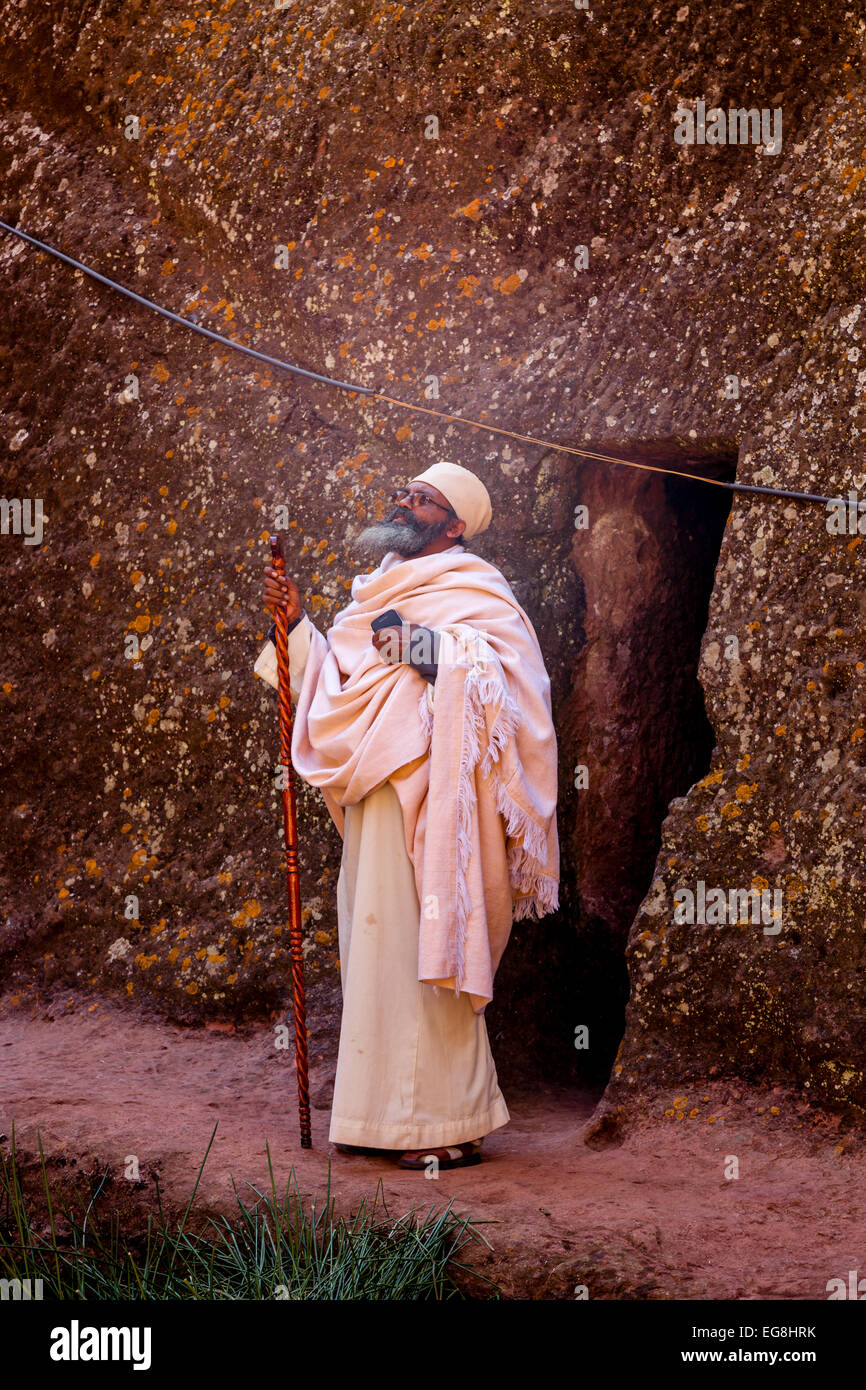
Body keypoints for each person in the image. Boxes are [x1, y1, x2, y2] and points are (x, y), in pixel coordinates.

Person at [256, 460, 559, 1170]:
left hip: (440, 803)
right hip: (375, 796)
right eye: (405, 492)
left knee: (431, 946)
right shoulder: (376, 590)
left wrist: (421, 647)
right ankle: (380, 1118)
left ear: (454, 525)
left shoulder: (476, 588)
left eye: (423, 499)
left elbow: (509, 684)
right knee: (378, 951)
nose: (405, 502)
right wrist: (297, 621)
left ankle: (446, 1123)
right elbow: (336, 682)